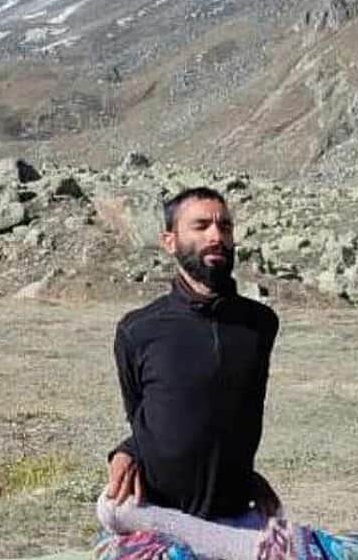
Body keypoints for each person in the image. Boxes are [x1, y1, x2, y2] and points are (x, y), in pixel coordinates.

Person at [105, 186, 281, 530]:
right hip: (155, 509)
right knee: (111, 509)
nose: (217, 236)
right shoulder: (138, 330)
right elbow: (141, 416)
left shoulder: (259, 325)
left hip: (233, 511)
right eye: (201, 226)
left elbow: (237, 412)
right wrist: (127, 451)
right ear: (169, 241)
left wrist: (246, 476)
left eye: (225, 227)